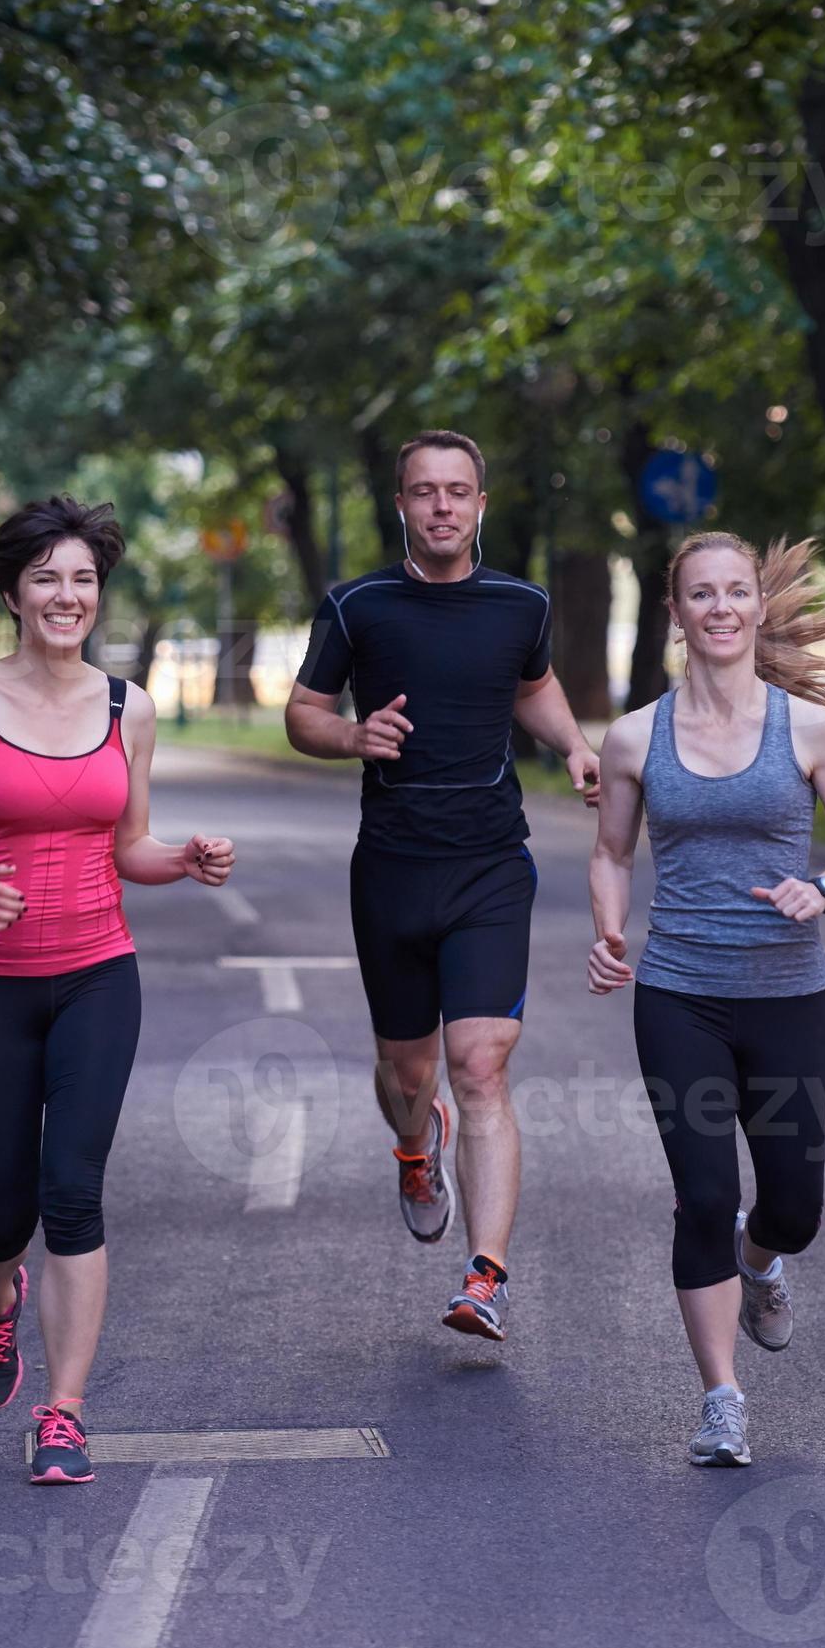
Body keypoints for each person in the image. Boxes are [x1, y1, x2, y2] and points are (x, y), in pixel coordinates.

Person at [0, 496, 235, 1486]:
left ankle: (63, 1414)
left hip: (97, 976)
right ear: (11, 591)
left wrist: (185, 857)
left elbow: (128, 846)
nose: (65, 594)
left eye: (82, 578)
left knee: (72, 1196)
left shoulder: (128, 707)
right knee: (1, 1213)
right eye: (45, 576)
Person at [284, 429, 601, 1343]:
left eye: (458, 491)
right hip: (391, 867)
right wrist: (352, 737)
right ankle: (417, 1151)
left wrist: (573, 743)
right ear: (402, 505)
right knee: (409, 1072)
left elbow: (530, 686)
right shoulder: (357, 606)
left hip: (491, 863)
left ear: (481, 504)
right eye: (424, 492)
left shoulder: (521, 604)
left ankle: (487, 1276)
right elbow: (305, 713)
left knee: (481, 1064)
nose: (442, 507)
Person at [587, 534, 825, 1466]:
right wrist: (609, 929)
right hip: (681, 996)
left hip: (791, 995)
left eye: (735, 593)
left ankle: (766, 1263)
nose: (719, 608)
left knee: (793, 1204)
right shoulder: (637, 735)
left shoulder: (807, 729)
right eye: (699, 595)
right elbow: (610, 853)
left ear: (759, 607)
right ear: (675, 614)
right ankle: (721, 1399)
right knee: (704, 1193)